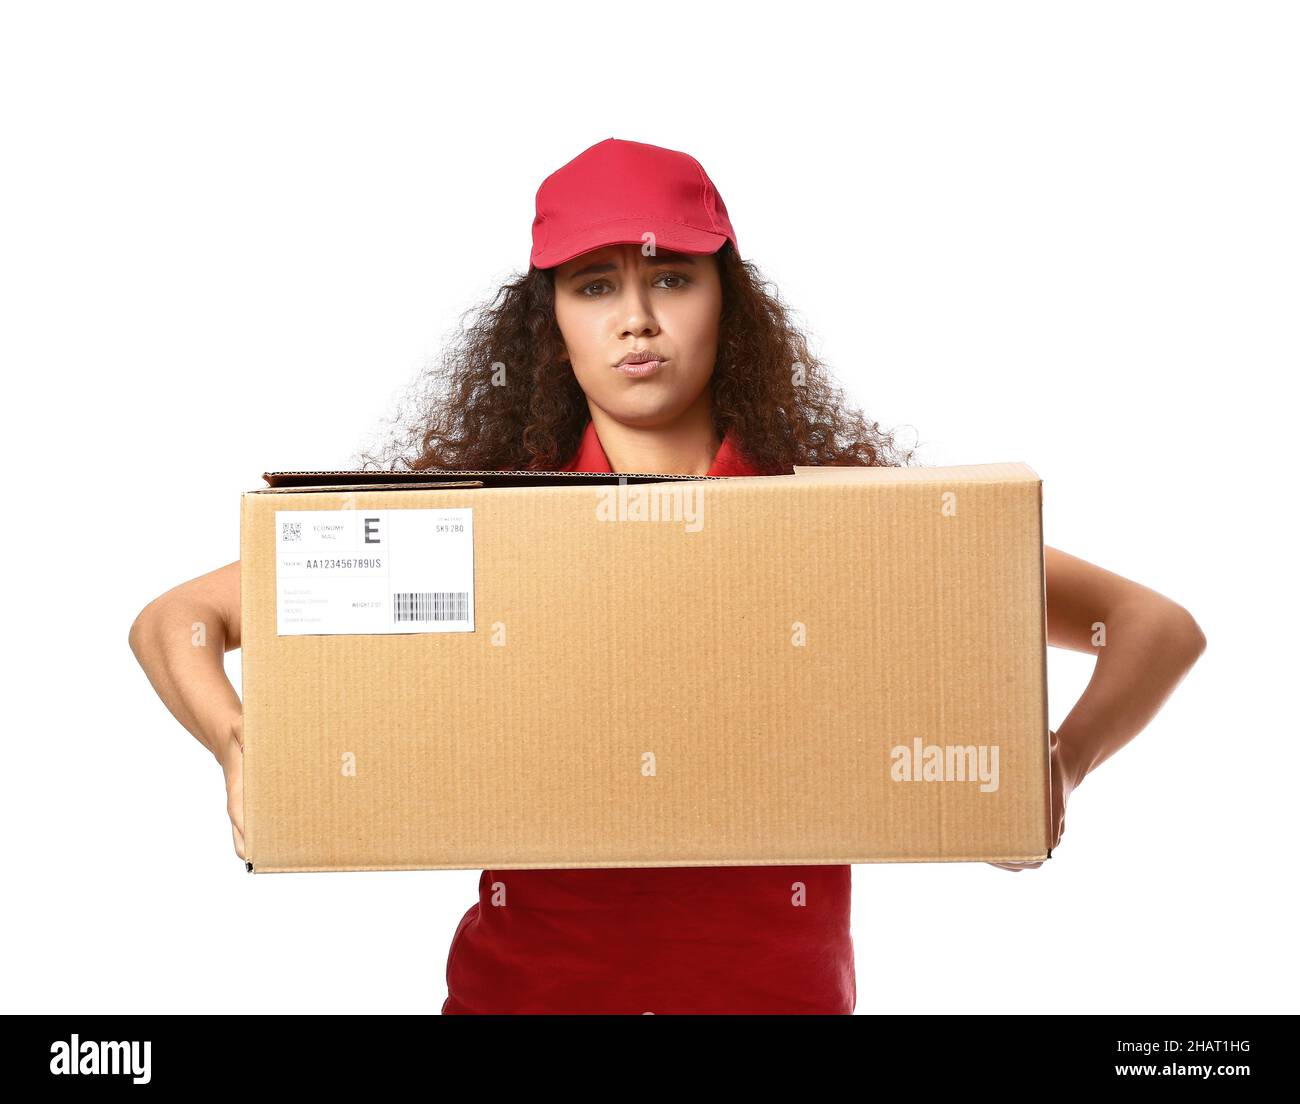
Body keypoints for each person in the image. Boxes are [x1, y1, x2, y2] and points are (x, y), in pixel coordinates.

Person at [128, 137, 1208, 1015]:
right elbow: (177, 619)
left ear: (724, 302)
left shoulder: (841, 522)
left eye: (671, 279)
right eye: (597, 286)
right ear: (551, 322)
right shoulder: (483, 525)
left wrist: (1051, 773)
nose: (636, 317)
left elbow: (1150, 623)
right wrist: (240, 748)